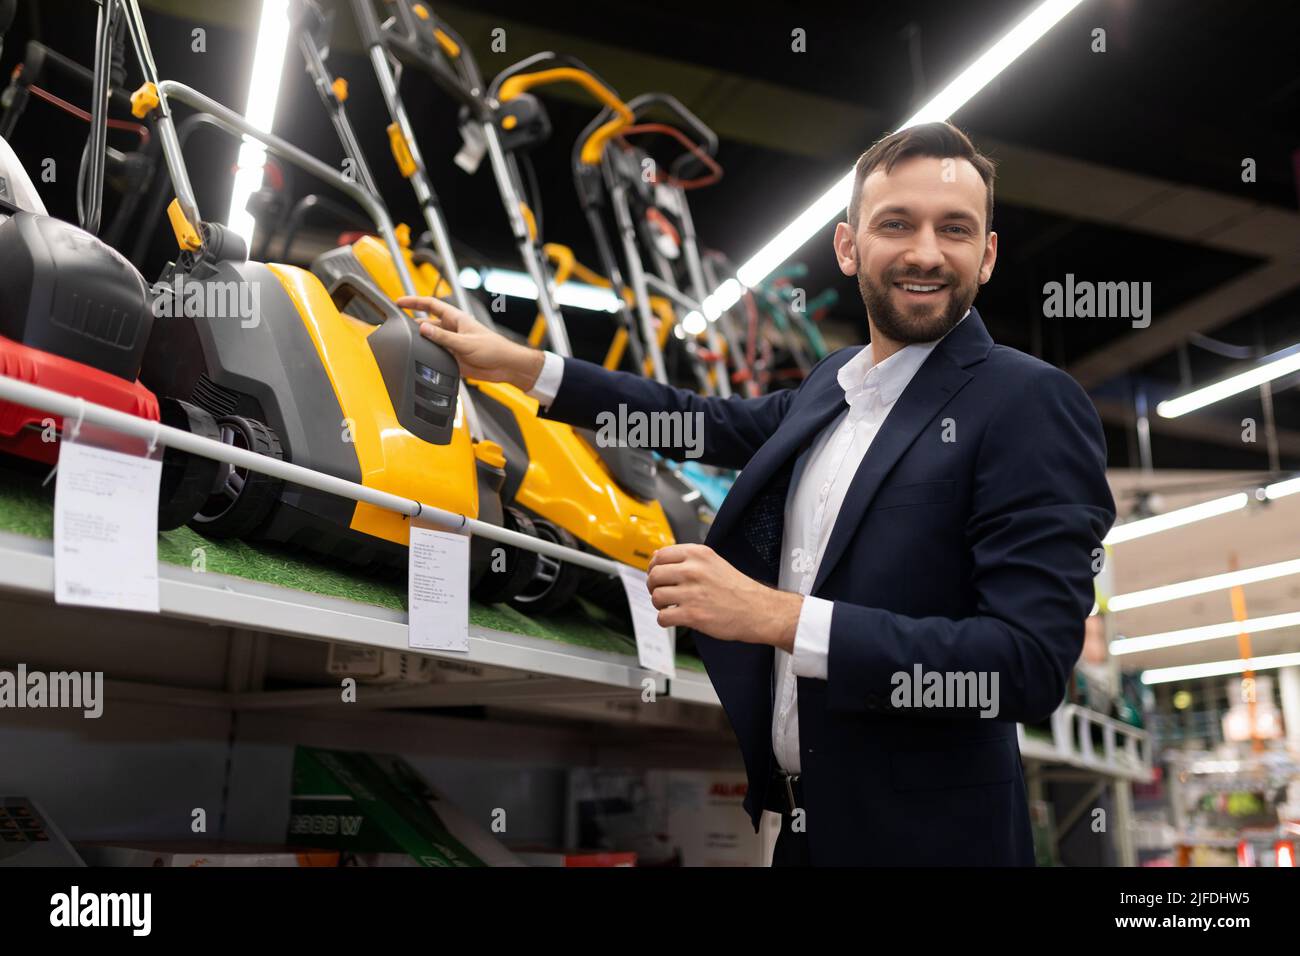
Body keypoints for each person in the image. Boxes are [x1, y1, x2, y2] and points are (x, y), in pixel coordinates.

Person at [398, 121, 1116, 866]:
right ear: (848, 246)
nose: (925, 252)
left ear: (987, 254)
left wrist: (775, 617)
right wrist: (522, 367)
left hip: (930, 844)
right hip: (798, 827)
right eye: (896, 224)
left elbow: (1027, 665)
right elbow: (699, 421)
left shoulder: (1028, 402)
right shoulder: (834, 388)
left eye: (955, 229)